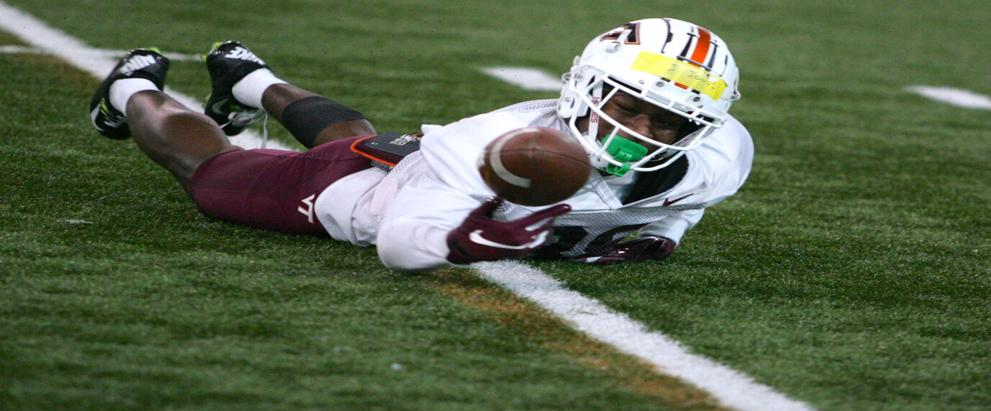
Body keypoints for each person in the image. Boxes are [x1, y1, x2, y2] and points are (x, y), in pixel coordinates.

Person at [86, 19, 752, 270]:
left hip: (399, 158)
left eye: (668, 121)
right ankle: (131, 92)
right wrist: (465, 242)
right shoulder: (495, 145)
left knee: (358, 137)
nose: (642, 132)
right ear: (583, 88)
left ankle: (251, 80)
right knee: (212, 174)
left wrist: (664, 232)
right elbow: (400, 245)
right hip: (362, 193)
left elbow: (683, 199)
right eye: (628, 106)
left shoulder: (719, 158)